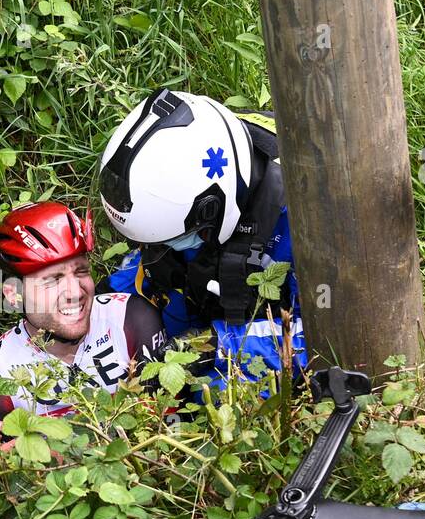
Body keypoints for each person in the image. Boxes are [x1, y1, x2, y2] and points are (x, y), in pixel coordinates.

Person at [97, 88, 305, 386]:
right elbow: (154, 259)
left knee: (216, 390)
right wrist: (103, 300)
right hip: (218, 284)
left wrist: (214, 346)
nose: (165, 247)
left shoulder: (308, 219)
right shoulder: (191, 172)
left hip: (276, 324)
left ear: (213, 210)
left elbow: (326, 334)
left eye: (174, 238)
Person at [0, 201, 168, 431]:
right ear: (14, 295)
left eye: (81, 271)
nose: (75, 292)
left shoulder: (132, 319)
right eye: (53, 280)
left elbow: (167, 428)